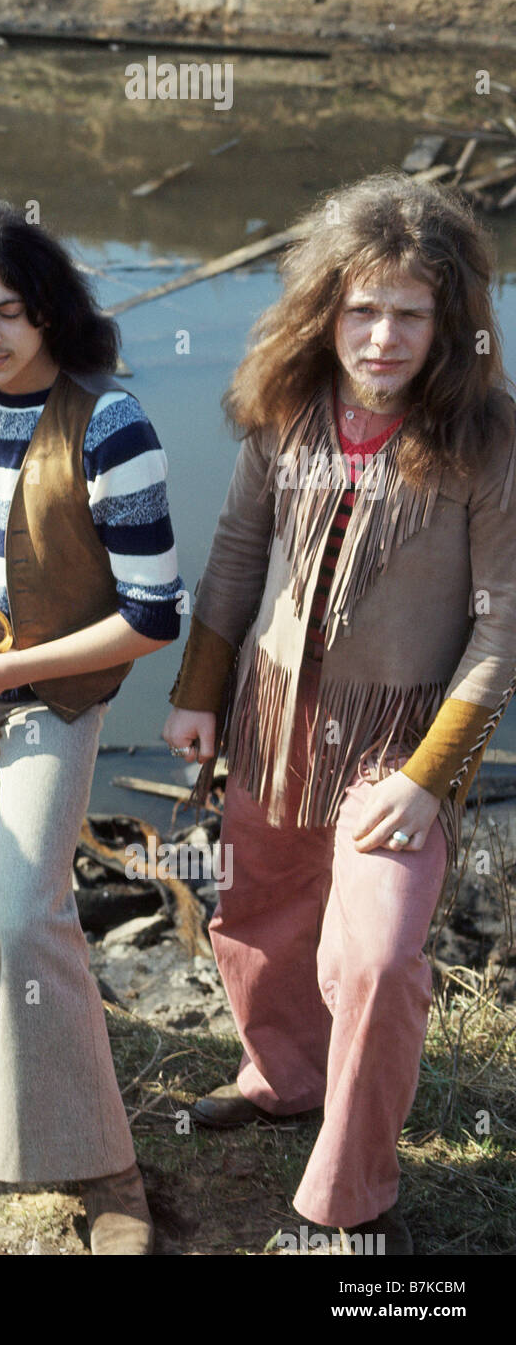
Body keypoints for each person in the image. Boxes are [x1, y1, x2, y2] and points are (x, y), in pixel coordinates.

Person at [163, 173, 516, 1254]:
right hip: (271, 718)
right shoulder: (285, 407)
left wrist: (424, 777)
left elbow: (502, 629)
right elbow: (231, 555)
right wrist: (195, 692)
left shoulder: (487, 441)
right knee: (256, 922)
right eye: (362, 308)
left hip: (397, 746)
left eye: (411, 313)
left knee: (374, 957)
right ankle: (282, 1080)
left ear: (451, 323)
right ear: (327, 307)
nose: (382, 336)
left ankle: (349, 1205)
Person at [0, 199, 184, 1254]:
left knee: (26, 915)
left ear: (49, 307)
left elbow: (151, 617)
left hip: (49, 700)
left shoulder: (111, 424)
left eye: (8, 311)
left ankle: (106, 1168)